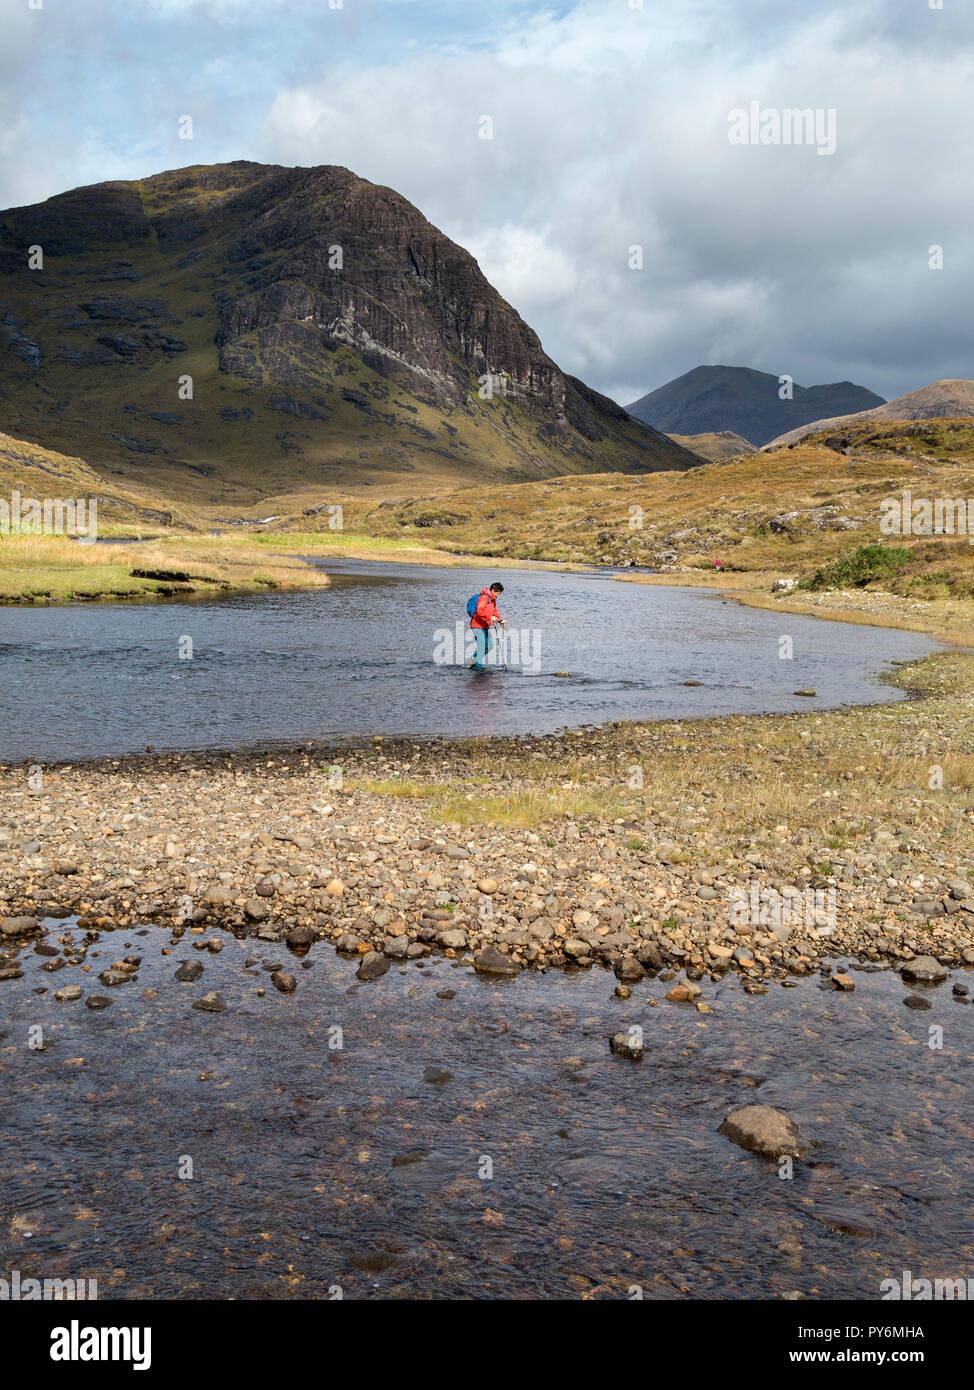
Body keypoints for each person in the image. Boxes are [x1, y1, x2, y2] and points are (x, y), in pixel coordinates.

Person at [470, 581, 506, 670]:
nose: (498, 595)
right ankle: (477, 668)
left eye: (499, 594)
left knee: (490, 646)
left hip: (485, 625)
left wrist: (500, 620)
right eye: (497, 593)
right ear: (493, 590)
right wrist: (490, 618)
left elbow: (494, 611)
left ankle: (473, 658)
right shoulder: (484, 598)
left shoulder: (492, 599)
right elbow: (479, 611)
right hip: (477, 625)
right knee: (482, 647)